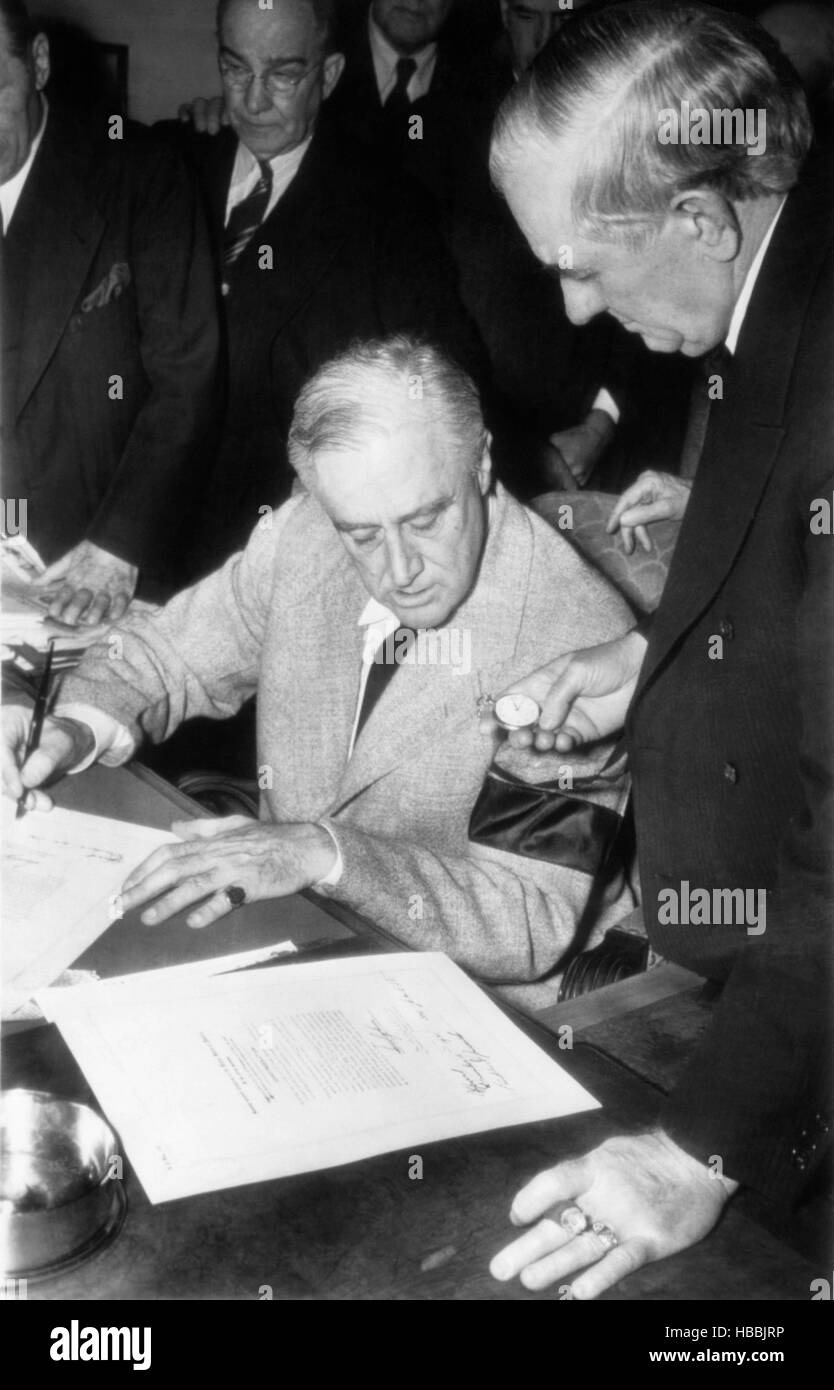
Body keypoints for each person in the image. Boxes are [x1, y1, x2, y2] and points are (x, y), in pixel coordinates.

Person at [485, 2, 833, 1296]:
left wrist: (697, 1147)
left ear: (697, 220)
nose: (571, 307)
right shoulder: (767, 283)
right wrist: (653, 663)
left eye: (580, 262)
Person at [2, 338, 638, 1003]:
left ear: (479, 463)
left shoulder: (580, 637)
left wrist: (323, 852)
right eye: (363, 534)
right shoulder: (305, 532)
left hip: (474, 996)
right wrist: (73, 727)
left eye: (425, 519)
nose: (400, 570)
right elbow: (172, 652)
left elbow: (525, 918)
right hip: (291, 931)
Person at [160, 0, 483, 571]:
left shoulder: (388, 211)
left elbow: (444, 383)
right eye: (236, 69)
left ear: (329, 76)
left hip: (286, 553)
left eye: (283, 75)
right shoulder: (170, 162)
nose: (253, 101)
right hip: (137, 538)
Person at [0, 0, 219, 622]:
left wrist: (118, 543)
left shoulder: (141, 173)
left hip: (93, 574)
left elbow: (188, 380)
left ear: (38, 63)